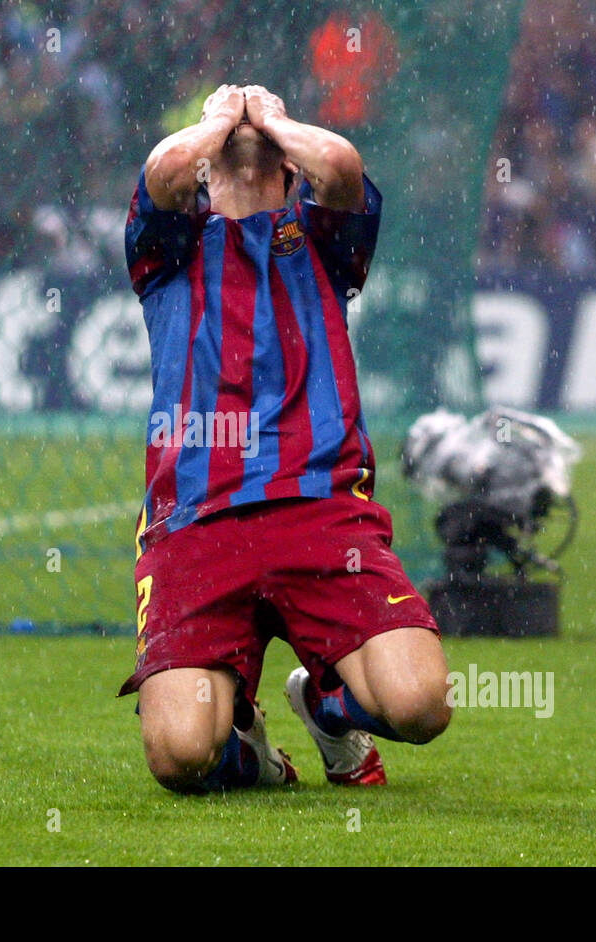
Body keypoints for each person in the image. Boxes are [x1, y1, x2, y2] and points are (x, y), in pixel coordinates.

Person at [120, 84, 452, 793]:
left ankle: (327, 706)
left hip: (322, 513)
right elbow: (160, 171)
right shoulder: (170, 250)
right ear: (205, 171)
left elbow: (342, 166)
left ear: (291, 171)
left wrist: (271, 121)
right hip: (197, 524)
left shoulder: (323, 244)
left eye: (266, 145)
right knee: (181, 754)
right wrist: (215, 125)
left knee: (423, 706)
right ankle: (252, 751)